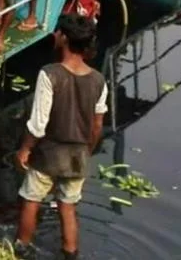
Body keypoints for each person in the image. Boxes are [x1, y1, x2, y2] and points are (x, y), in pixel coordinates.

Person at [15, 14, 108, 260]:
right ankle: (70, 253)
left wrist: (25, 149)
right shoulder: (99, 80)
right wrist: (86, 149)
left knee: (31, 200)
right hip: (78, 156)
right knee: (67, 208)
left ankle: (21, 248)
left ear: (65, 38)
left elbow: (38, 123)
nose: (55, 35)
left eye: (58, 32)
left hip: (48, 154)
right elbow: (97, 125)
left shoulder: (50, 74)